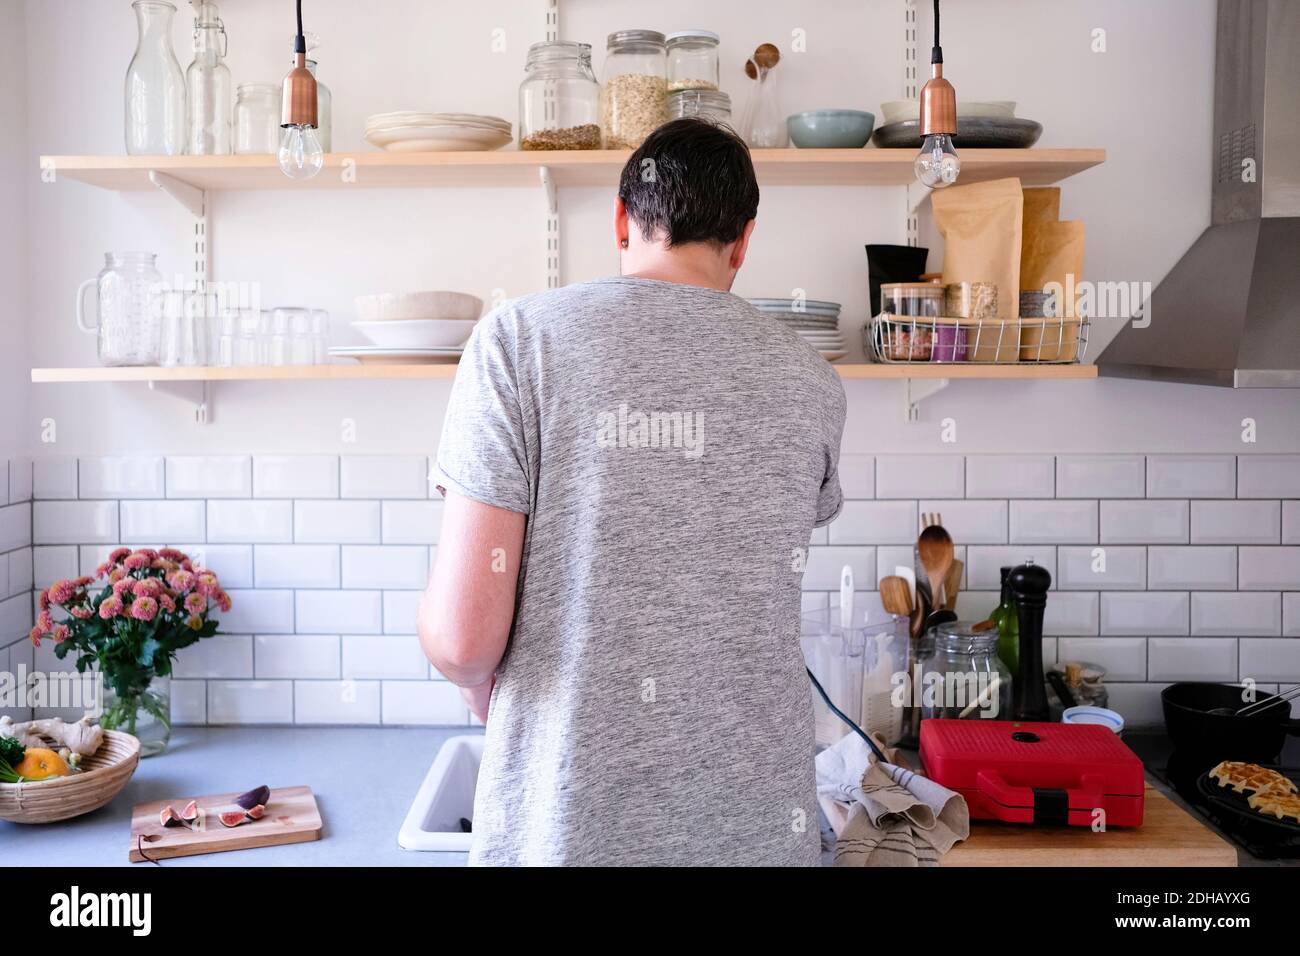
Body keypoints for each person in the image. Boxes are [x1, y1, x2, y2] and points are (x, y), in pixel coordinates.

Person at [418, 118, 846, 866]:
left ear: (621, 220)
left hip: (571, 824)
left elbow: (462, 638)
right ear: (742, 241)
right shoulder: (812, 378)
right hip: (758, 828)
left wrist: (474, 679)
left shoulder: (519, 342)